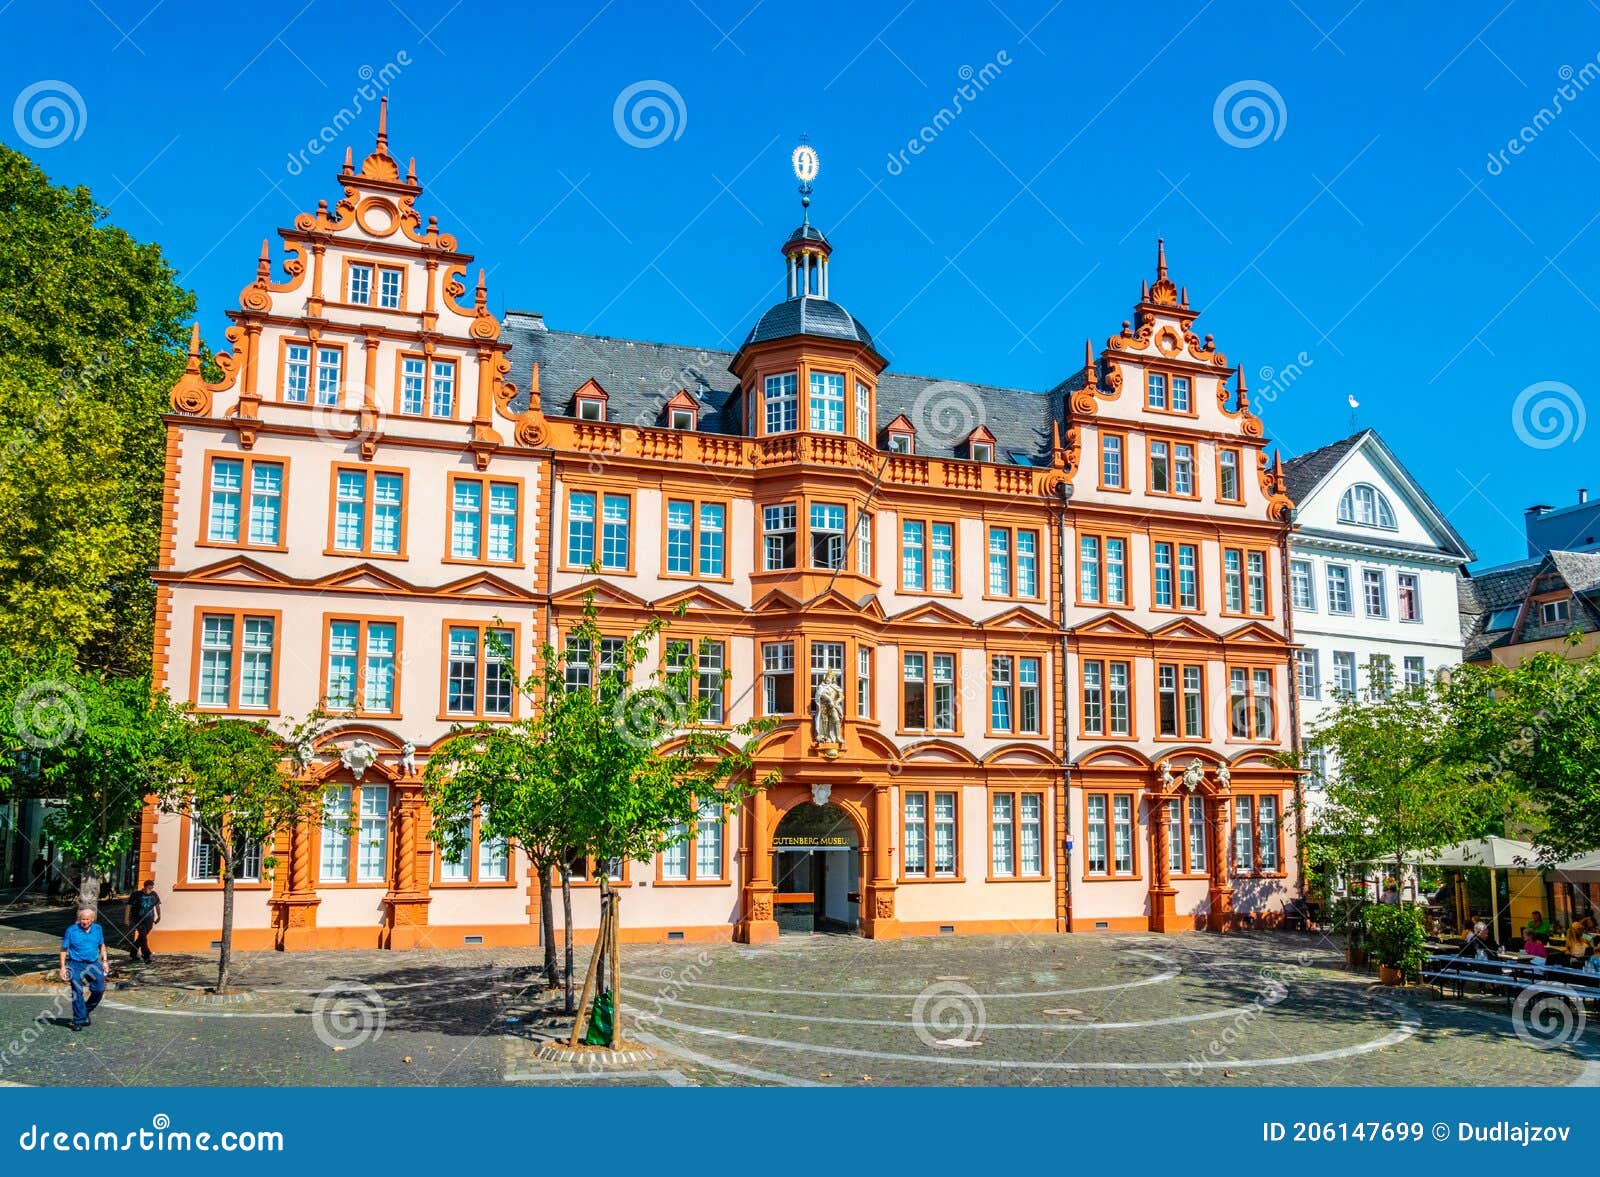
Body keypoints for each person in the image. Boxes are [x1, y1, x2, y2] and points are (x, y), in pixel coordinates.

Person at [58, 906, 108, 1031]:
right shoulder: (71, 930)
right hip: (76, 964)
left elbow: (102, 946)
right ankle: (78, 1021)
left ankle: (84, 1010)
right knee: (77, 992)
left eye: (87, 919)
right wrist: (63, 967)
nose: (84, 922)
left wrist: (105, 961)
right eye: (82, 919)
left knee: (99, 989)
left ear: (92, 919)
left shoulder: (98, 929)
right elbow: (64, 949)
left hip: (93, 964)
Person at [124, 879, 160, 963]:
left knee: (141, 937)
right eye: (148, 888)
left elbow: (157, 905)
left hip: (150, 919)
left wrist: (159, 916)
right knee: (143, 935)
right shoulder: (136, 894)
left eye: (151, 888)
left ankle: (133, 953)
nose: (150, 890)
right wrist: (126, 918)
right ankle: (146, 954)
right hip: (138, 919)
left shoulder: (154, 894)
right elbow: (128, 906)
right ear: (144, 887)